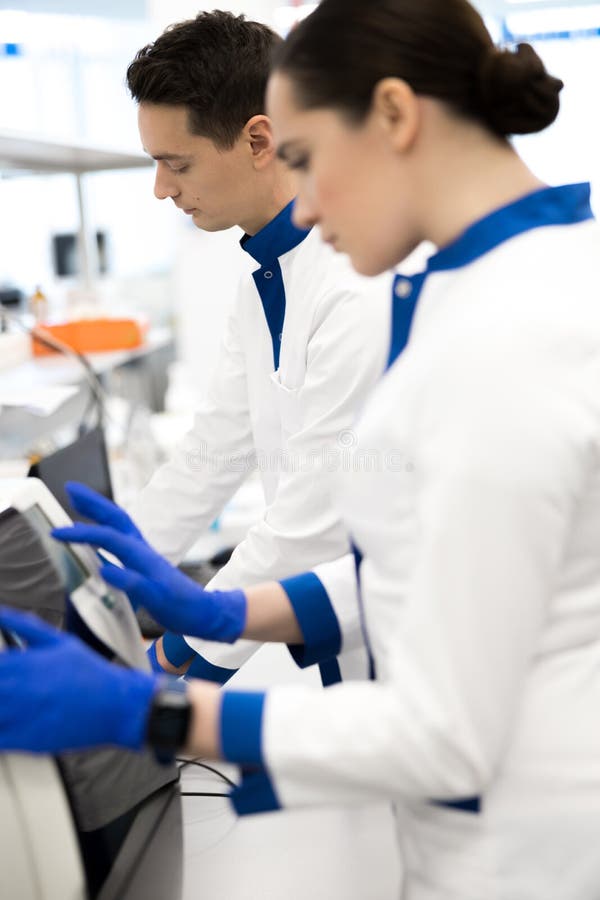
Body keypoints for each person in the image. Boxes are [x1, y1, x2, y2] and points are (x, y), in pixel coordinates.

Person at [4, 1, 600, 896]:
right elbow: (431, 563)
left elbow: (441, 726)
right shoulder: (468, 290)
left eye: (310, 160)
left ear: (396, 116)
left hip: (524, 845)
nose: (307, 205)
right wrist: (231, 614)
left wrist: (155, 708)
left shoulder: (510, 330)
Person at [123, 10, 390, 684]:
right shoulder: (266, 279)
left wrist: (174, 655)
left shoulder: (353, 283)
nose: (162, 189)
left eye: (175, 163)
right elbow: (212, 451)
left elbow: (310, 525)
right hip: (339, 638)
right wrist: (99, 578)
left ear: (259, 139)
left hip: (397, 649)